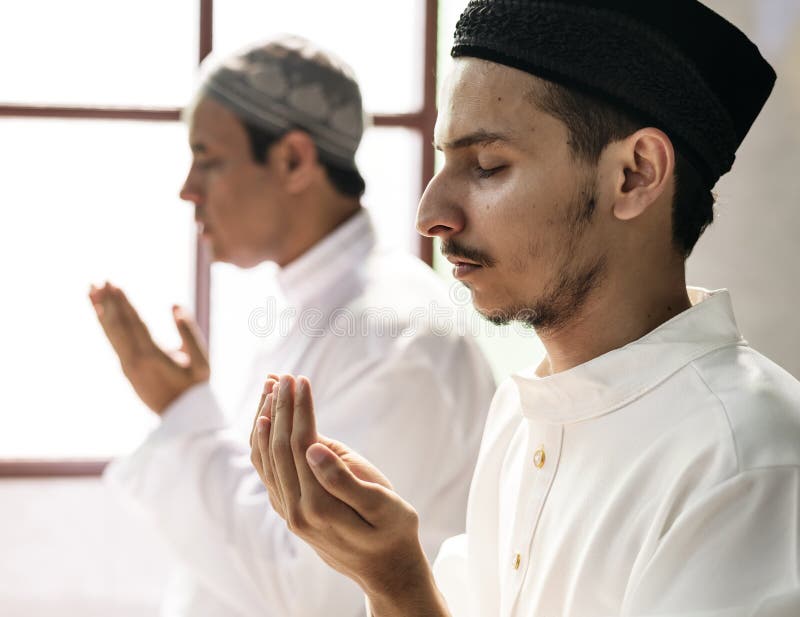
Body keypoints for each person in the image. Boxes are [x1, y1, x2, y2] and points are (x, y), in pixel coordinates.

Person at [249, 3, 800, 617]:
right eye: (442, 161)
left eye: (487, 166)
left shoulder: (746, 459)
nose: (431, 216)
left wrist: (399, 584)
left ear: (634, 175)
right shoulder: (520, 415)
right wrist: (388, 575)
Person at [88, 36, 495, 617]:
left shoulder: (397, 336)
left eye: (207, 158)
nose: (188, 189)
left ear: (294, 161)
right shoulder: (313, 307)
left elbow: (314, 592)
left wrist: (182, 410)